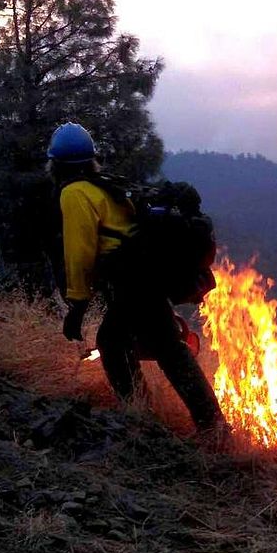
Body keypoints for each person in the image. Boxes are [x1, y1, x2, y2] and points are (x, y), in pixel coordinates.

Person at [48, 122, 226, 436]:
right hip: (148, 276)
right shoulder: (106, 183)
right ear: (91, 159)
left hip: (132, 281)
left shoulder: (74, 193)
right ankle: (210, 427)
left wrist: (77, 305)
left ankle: (143, 420)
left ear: (55, 163)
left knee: (118, 343)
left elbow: (79, 251)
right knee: (164, 348)